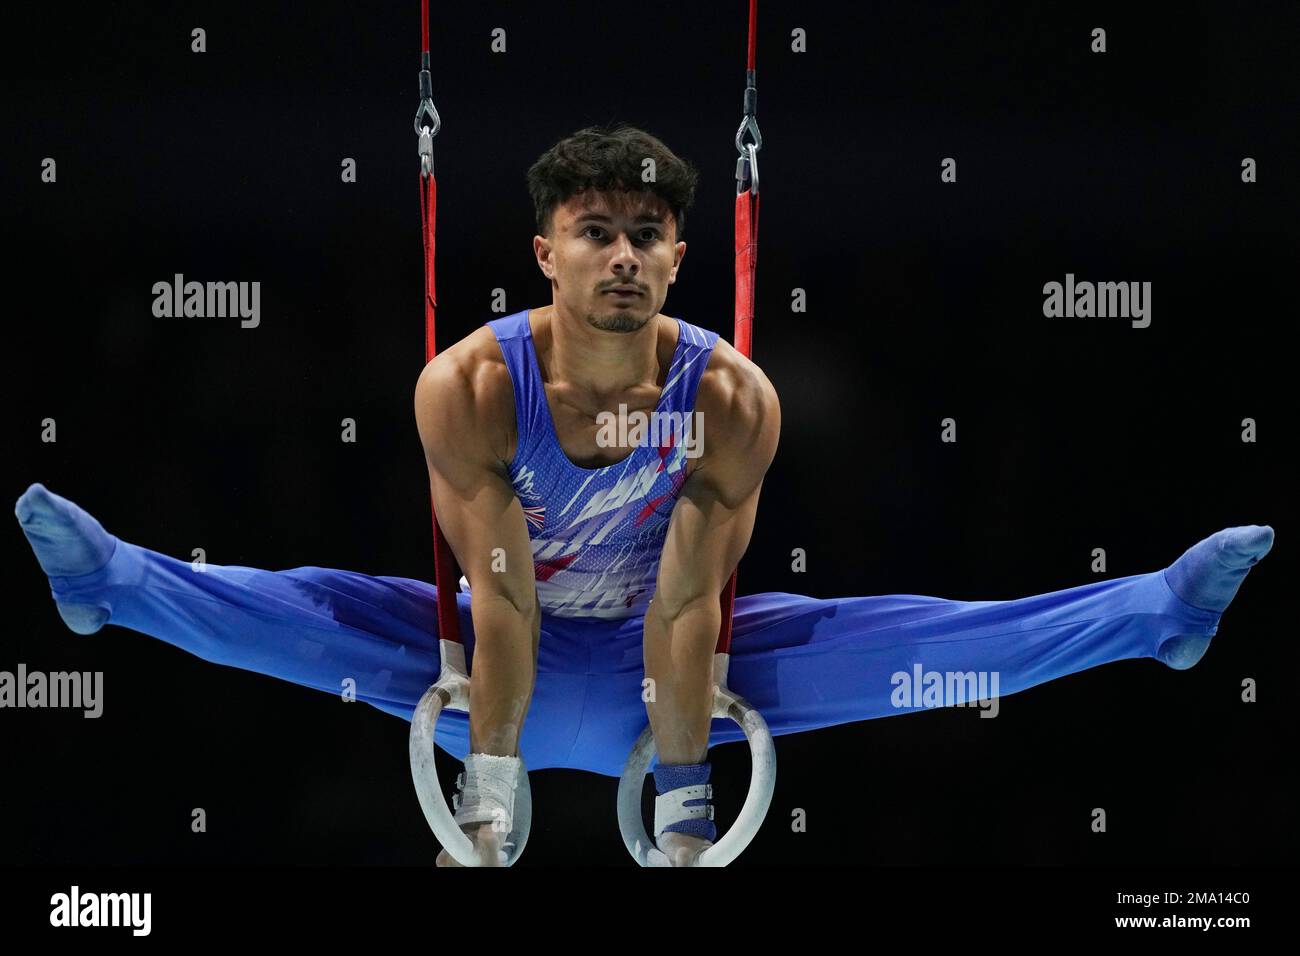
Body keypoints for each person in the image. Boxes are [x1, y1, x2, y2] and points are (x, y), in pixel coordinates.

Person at [15, 124, 1273, 867]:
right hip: (484, 660)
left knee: (909, 639)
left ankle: (1155, 611)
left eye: (647, 232)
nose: (623, 252)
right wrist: (489, 785)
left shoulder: (730, 398)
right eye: (595, 227)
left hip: (665, 672)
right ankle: (112, 583)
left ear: (680, 253)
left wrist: (683, 793)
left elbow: (687, 606)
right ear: (545, 251)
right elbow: (499, 600)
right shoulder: (468, 387)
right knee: (310, 612)